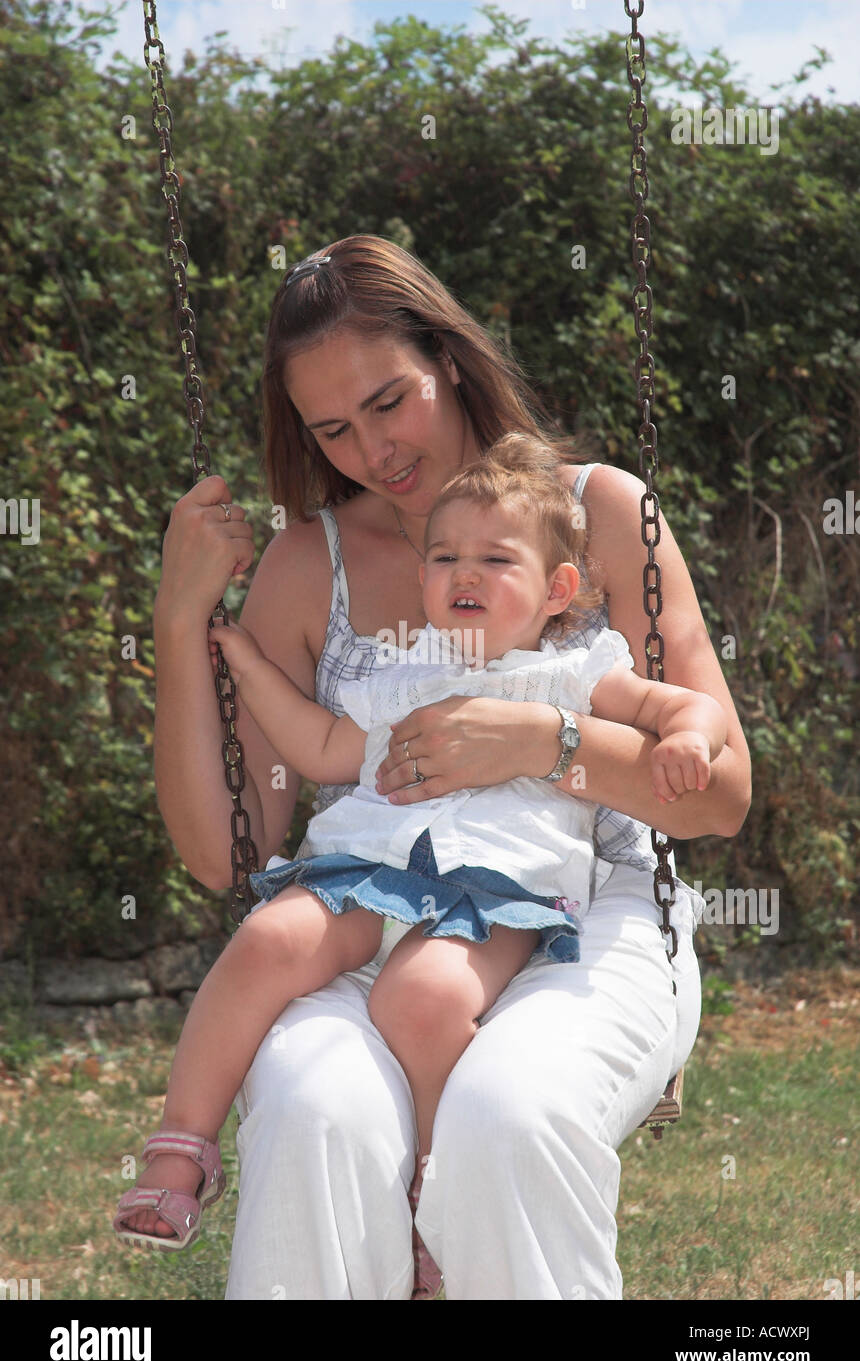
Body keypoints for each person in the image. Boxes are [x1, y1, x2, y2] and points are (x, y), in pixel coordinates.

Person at [148, 235, 751, 1299]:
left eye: (389, 401)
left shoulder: (600, 513)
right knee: (306, 1108)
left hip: (582, 901)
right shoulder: (306, 567)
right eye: (331, 429)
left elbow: (718, 796)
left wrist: (542, 742)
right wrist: (180, 616)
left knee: (507, 1108)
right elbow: (218, 848)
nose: (373, 450)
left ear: (449, 359)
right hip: (371, 904)